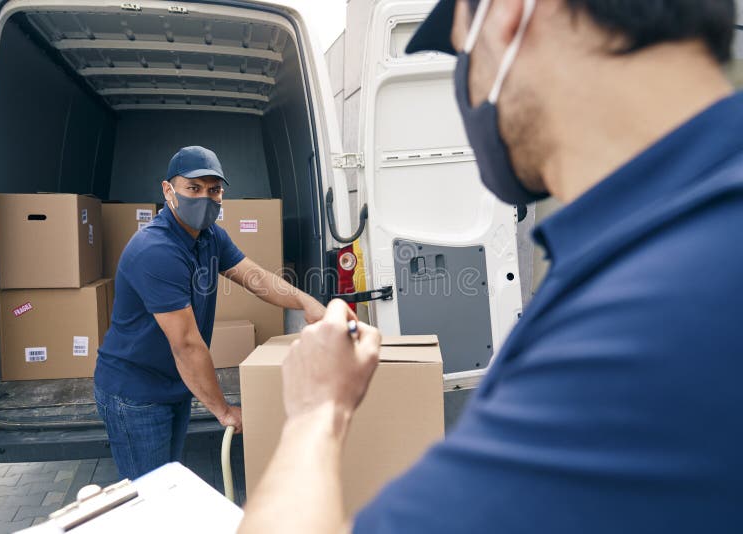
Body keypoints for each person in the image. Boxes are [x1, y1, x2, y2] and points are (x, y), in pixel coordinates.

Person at [239, 1, 743, 532]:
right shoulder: (662, 239)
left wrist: (317, 408)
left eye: (461, 52)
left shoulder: (650, 318)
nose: (466, 90)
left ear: (510, 14)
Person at [94, 145, 326, 480]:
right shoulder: (156, 250)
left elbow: (255, 278)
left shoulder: (210, 236)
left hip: (174, 384)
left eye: (214, 190)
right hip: (136, 394)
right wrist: (223, 410)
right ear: (168, 191)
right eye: (193, 188)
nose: (205, 198)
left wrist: (307, 302)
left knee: (168, 482)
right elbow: (187, 345)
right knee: (148, 497)